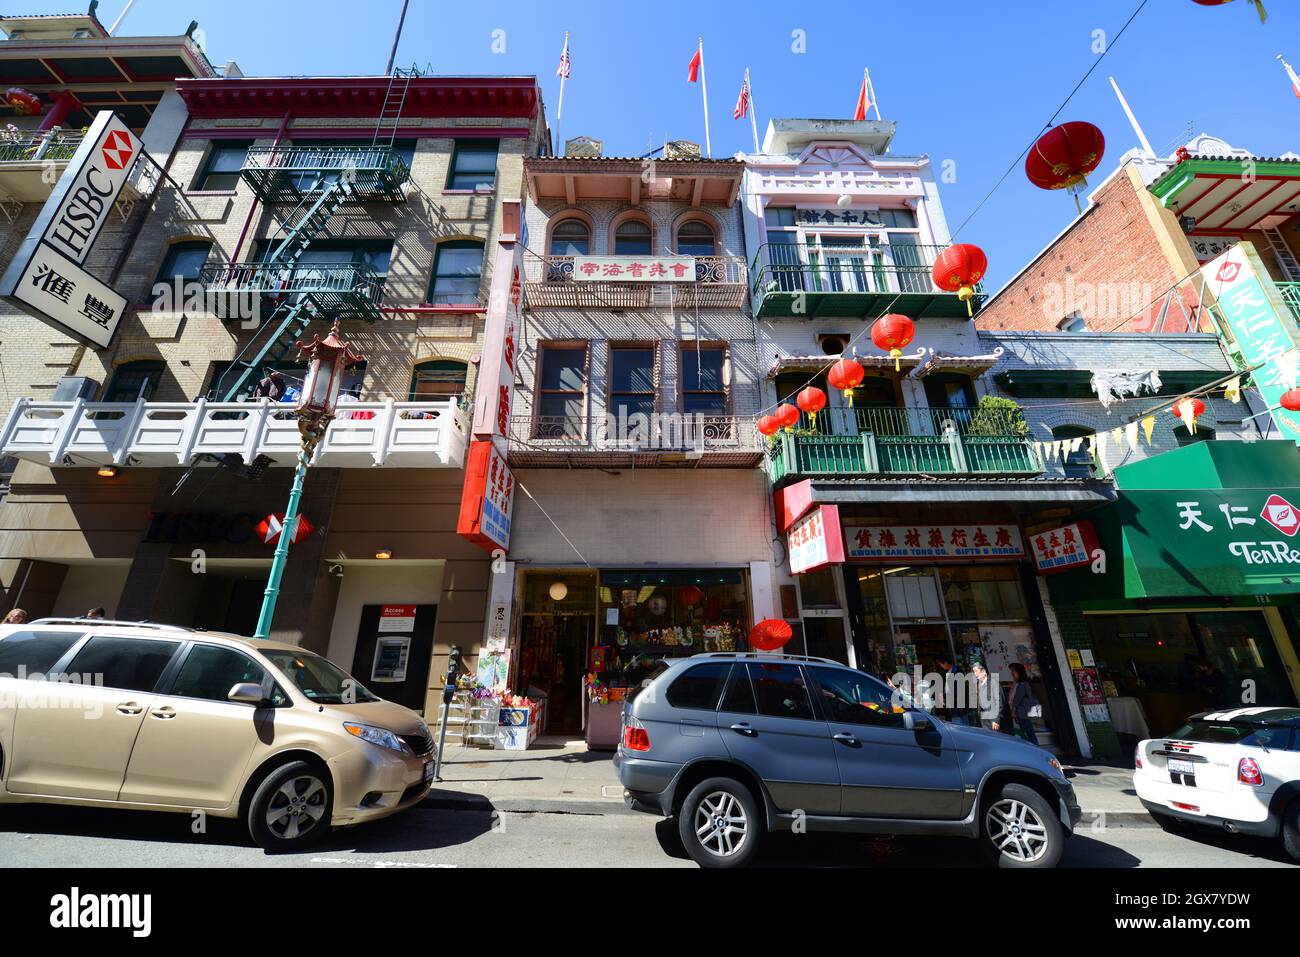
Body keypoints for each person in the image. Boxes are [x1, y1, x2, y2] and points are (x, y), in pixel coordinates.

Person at [1007, 662, 1040, 746]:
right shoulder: (1017, 683)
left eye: (1013, 671)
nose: (1012, 673)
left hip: (1022, 713)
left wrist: (1013, 712)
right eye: (1011, 671)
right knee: (1026, 731)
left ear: (1019, 672)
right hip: (1022, 712)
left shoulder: (1022, 684)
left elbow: (1017, 699)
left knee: (1028, 732)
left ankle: (1035, 749)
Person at [971, 661, 1008, 733]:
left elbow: (999, 702)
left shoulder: (993, 683)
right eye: (973, 672)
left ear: (983, 671)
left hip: (993, 719)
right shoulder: (979, 684)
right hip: (984, 719)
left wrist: (996, 719)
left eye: (976, 671)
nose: (975, 674)